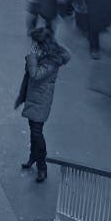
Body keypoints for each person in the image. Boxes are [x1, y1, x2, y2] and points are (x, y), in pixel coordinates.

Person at [15, 27, 71, 183]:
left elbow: (36, 74)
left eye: (35, 43)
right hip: (34, 97)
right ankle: (33, 156)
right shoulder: (46, 54)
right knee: (33, 130)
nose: (32, 45)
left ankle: (42, 167)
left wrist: (32, 57)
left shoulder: (52, 60)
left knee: (37, 133)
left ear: (42, 44)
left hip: (41, 100)